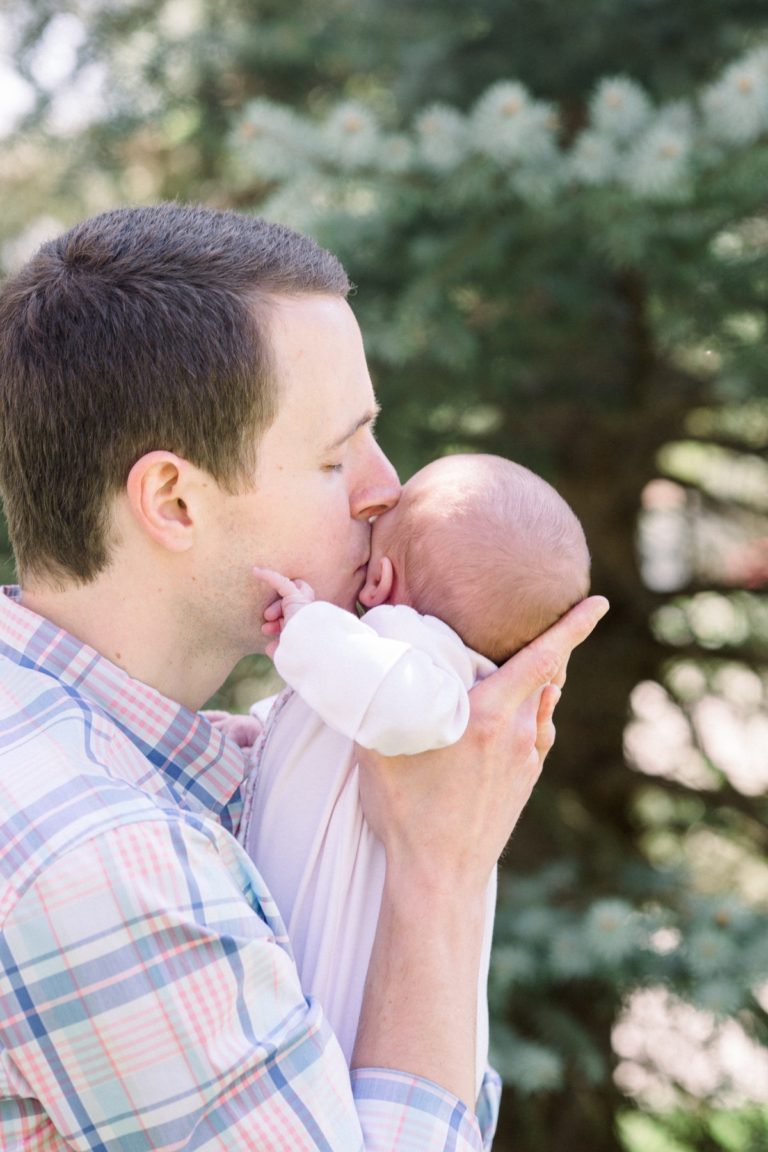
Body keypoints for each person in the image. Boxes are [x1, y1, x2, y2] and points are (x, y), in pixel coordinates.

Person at [0, 203, 608, 1151]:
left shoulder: (93, 747)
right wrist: (440, 868)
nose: (387, 487)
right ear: (174, 499)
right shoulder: (104, 860)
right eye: (336, 456)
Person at [239, 453, 591, 1089]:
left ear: (381, 582)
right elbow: (320, 733)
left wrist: (307, 623)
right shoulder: (386, 668)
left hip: (338, 994)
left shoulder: (421, 662)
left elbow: (402, 706)